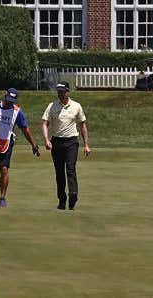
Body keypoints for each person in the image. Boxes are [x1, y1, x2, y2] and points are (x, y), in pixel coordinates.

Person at [0, 86, 40, 207]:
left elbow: (25, 129)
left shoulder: (17, 112)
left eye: (12, 101)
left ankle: (2, 197)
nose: (9, 103)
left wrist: (33, 144)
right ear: (4, 95)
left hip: (6, 144)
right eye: (8, 100)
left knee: (4, 169)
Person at [42, 80, 91, 210]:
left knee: (70, 168)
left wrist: (86, 144)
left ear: (68, 92)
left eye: (62, 91)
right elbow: (45, 123)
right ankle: (62, 199)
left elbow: (82, 125)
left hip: (71, 142)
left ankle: (73, 195)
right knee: (59, 172)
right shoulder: (52, 106)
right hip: (56, 142)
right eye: (58, 91)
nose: (60, 94)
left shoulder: (76, 106)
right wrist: (46, 140)